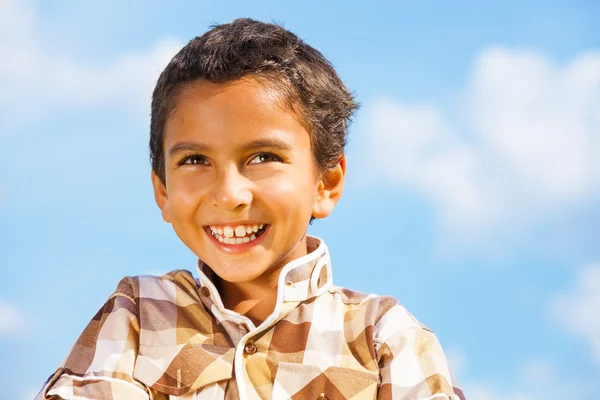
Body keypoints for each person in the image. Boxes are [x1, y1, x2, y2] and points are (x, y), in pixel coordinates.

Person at [36, 18, 465, 400]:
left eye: (262, 157)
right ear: (162, 191)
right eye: (195, 161)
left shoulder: (383, 338)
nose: (229, 194)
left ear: (326, 182)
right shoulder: (139, 315)